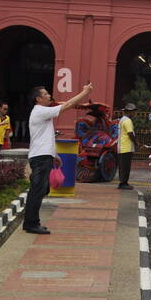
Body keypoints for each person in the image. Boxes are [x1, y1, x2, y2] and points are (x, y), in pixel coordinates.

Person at [25, 82, 94, 235]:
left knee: (41, 190)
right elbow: (68, 105)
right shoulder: (40, 111)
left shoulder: (43, 112)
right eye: (46, 94)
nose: (49, 95)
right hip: (40, 157)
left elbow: (45, 137)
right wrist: (85, 92)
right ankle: (31, 223)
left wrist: (54, 156)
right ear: (38, 99)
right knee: (37, 190)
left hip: (44, 156)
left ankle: (31, 222)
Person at [116, 103, 136, 189]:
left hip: (122, 147)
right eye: (133, 112)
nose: (134, 114)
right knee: (125, 167)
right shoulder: (128, 121)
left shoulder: (122, 119)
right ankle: (123, 183)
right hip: (126, 147)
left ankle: (123, 182)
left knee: (123, 166)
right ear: (129, 112)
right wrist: (137, 142)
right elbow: (130, 134)